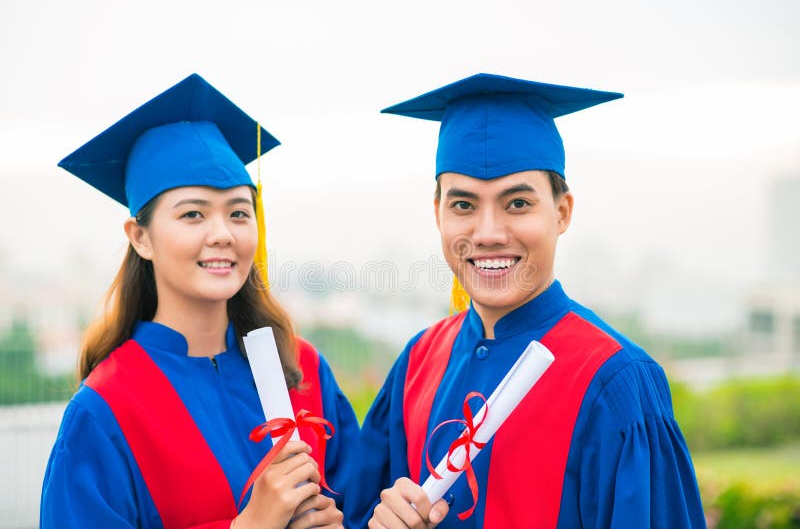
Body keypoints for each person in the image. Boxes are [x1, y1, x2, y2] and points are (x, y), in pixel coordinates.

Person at [344, 74, 706, 528]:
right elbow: (354, 515)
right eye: (463, 205)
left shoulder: (615, 383)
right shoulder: (418, 361)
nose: (489, 233)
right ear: (437, 213)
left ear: (562, 212)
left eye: (517, 203)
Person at [40, 74, 358, 529]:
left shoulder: (302, 369)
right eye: (193, 214)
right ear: (141, 237)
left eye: (238, 212)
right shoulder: (106, 409)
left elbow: (362, 505)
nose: (222, 234)